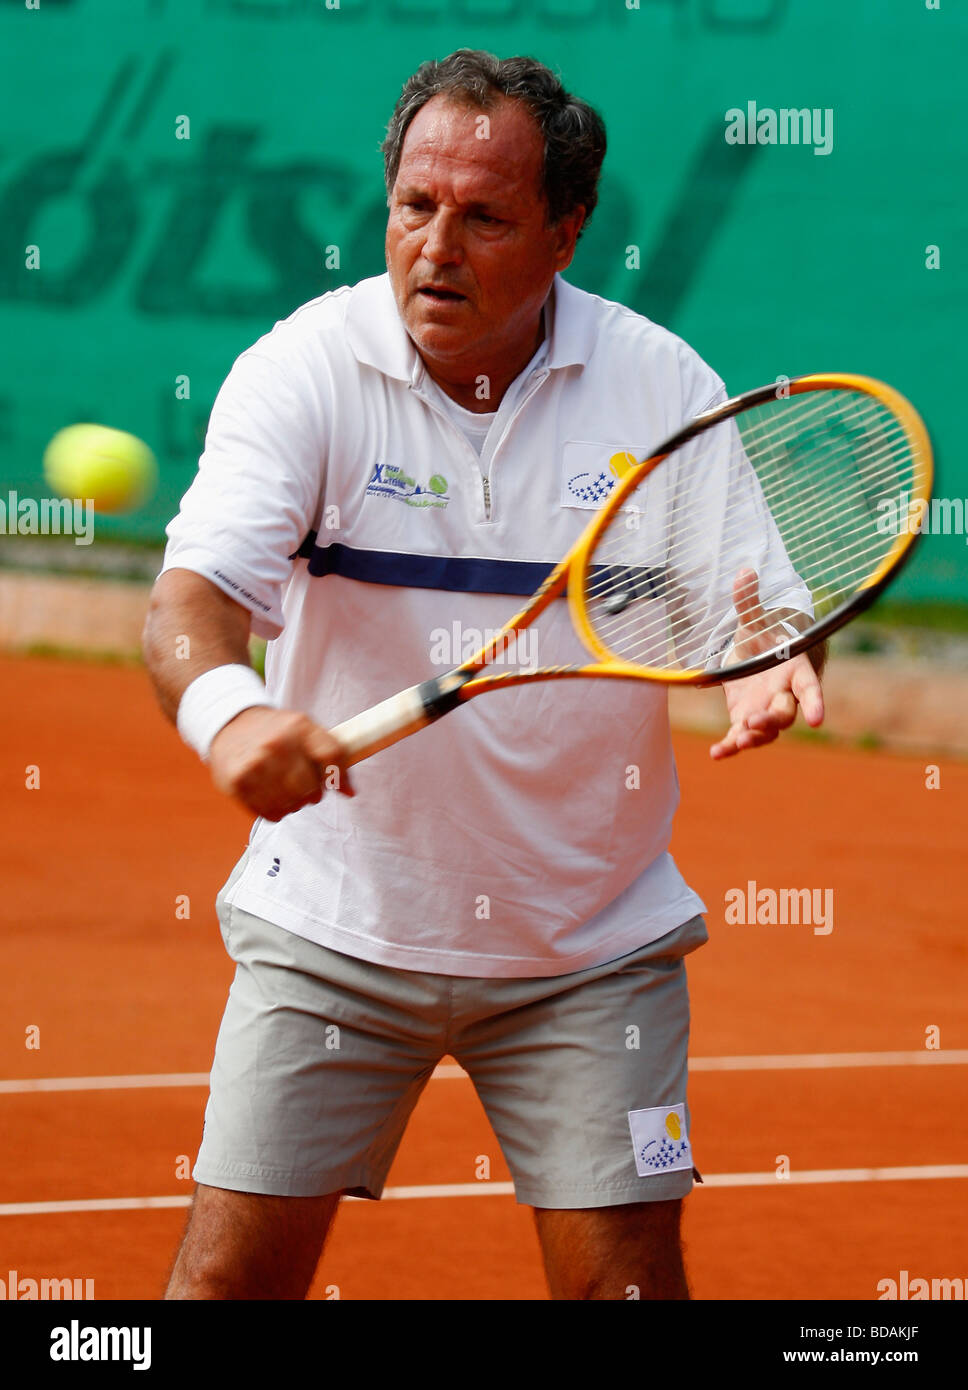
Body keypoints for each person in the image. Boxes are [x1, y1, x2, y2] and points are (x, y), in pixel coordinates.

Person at [143, 49, 824, 1301]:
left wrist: (767, 666)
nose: (434, 247)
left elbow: (761, 610)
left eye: (484, 216)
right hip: (331, 929)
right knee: (225, 1284)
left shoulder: (660, 386)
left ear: (565, 231)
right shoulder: (302, 368)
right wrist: (228, 711)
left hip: (589, 946)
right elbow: (191, 599)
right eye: (413, 206)